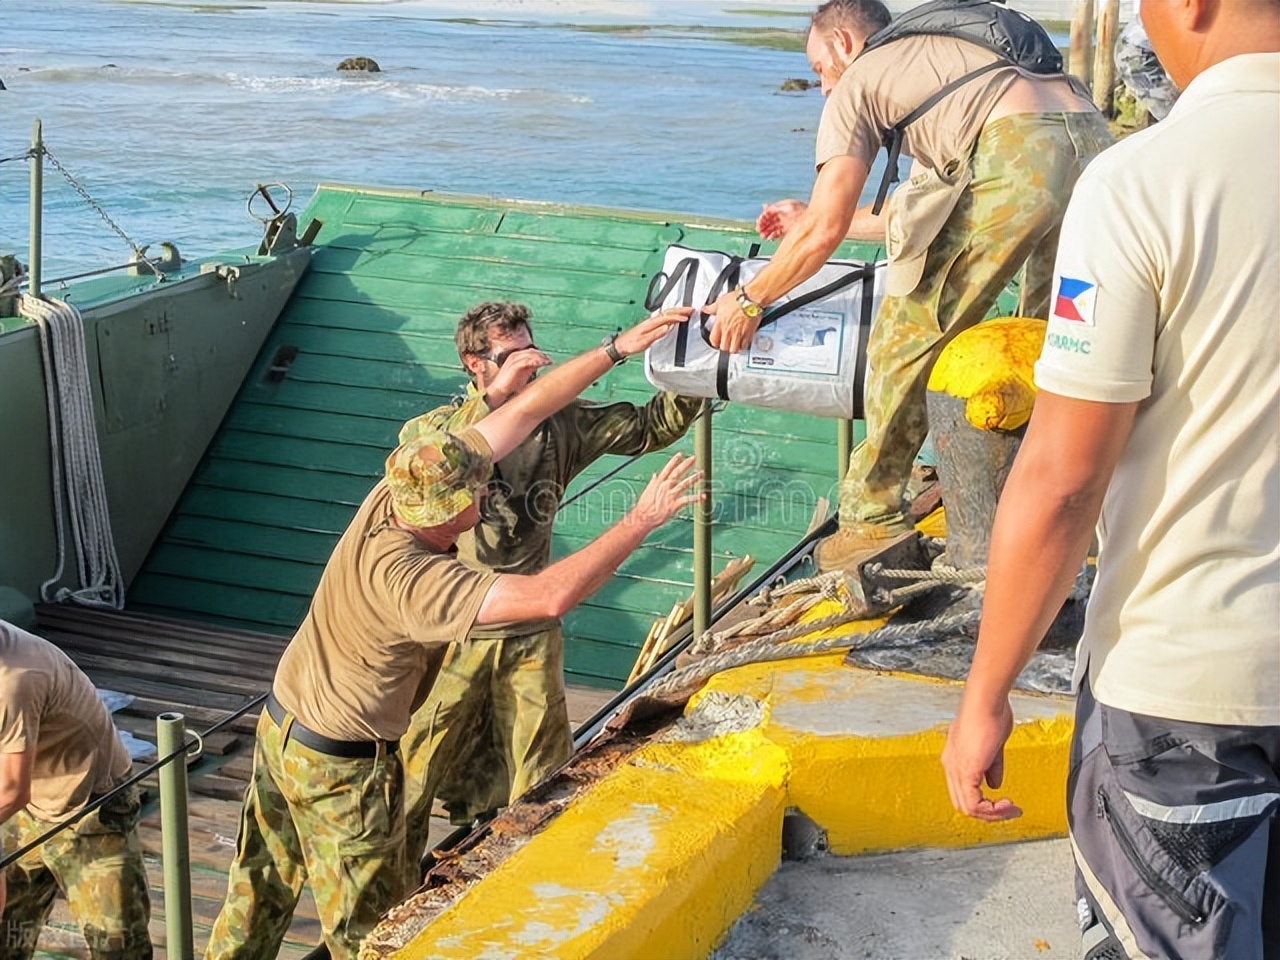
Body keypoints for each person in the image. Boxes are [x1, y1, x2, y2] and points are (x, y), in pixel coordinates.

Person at [941, 1, 1279, 955]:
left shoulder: (1145, 180)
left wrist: (985, 692)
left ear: (1192, 6)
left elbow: (1060, 478)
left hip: (1190, 694)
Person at [204, 306, 697, 960]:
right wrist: (641, 518)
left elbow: (521, 414)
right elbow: (547, 599)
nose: (487, 483)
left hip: (281, 728)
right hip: (341, 770)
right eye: (480, 485)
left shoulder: (399, 486)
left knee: (257, 892)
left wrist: (617, 347)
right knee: (376, 939)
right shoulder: (413, 581)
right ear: (458, 511)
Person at [703, 0, 1110, 571]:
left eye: (819, 69)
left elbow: (828, 227)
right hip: (1094, 142)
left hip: (1018, 152)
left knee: (909, 332)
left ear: (843, 44)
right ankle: (1055, 491)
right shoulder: (936, 60)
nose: (822, 88)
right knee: (1050, 334)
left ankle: (871, 519)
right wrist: (806, 219)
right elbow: (916, 212)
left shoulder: (861, 79)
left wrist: (749, 299)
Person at [397, 301, 702, 864]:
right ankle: (394, 894)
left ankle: (530, 873)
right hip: (456, 630)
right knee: (415, 772)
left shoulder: (559, 422)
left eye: (531, 351)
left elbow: (649, 426)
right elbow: (431, 451)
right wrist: (494, 401)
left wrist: (702, 363)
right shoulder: (436, 433)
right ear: (474, 364)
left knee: (543, 774)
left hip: (531, 626)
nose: (531, 365)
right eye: (511, 356)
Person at [0, 618, 152, 960]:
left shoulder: (13, 680)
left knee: (117, 945)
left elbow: (12, 791)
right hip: (25, 802)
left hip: (90, 808)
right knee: (6, 933)